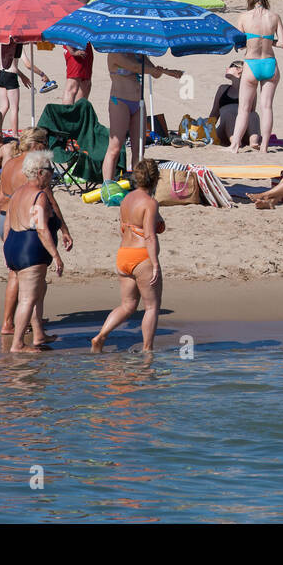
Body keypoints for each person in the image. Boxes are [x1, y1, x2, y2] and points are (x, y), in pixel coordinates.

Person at [0, 128, 72, 335]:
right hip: (28, 224)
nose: (46, 148)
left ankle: (8, 323)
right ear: (36, 145)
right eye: (44, 144)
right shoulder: (34, 168)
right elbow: (50, 201)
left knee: (14, 274)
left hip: (7, 218)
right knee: (33, 278)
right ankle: (28, 325)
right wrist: (64, 229)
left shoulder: (9, 164)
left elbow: (1, 198)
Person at [92, 158, 165, 353]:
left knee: (127, 305)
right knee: (151, 307)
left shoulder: (126, 199)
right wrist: (155, 263)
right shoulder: (150, 203)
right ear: (156, 178)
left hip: (124, 254)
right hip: (142, 257)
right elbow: (149, 235)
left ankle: (100, 336)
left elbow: (124, 229)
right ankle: (148, 350)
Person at [3, 150, 64, 352]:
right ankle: (18, 344)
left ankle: (38, 334)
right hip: (30, 250)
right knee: (28, 298)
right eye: (50, 170)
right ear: (39, 172)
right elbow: (41, 228)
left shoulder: (18, 192)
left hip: (13, 244)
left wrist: (6, 249)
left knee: (38, 291)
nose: (52, 174)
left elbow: (7, 224)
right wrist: (56, 255)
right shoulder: (39, 196)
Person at [101, 52, 183, 186]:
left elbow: (154, 72)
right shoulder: (115, 52)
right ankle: (107, 187)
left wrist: (162, 71)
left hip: (138, 103)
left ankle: (137, 184)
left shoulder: (139, 52)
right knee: (115, 147)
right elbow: (135, 67)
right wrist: (166, 72)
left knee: (139, 149)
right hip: (120, 102)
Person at [231, 0, 283, 153]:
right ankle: (264, 147)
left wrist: (251, 41)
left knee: (244, 109)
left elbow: (238, 44)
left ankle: (235, 146)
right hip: (270, 63)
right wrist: (268, 41)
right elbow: (282, 43)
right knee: (267, 107)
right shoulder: (274, 17)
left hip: (251, 64)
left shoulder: (244, 17)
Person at [0, 43, 55, 133]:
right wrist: (42, 74)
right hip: (11, 76)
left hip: (1, 74)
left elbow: (10, 65)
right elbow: (27, 64)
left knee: (4, 106)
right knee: (14, 108)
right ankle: (15, 135)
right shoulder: (17, 43)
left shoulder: (4, 43)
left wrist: (22, 76)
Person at [208, 62, 262, 149]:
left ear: (239, 70)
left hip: (244, 132)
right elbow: (215, 112)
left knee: (253, 115)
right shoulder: (223, 89)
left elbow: (251, 111)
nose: (227, 68)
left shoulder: (250, 90)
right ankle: (235, 141)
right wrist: (208, 130)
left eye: (231, 66)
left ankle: (253, 142)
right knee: (229, 116)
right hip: (225, 131)